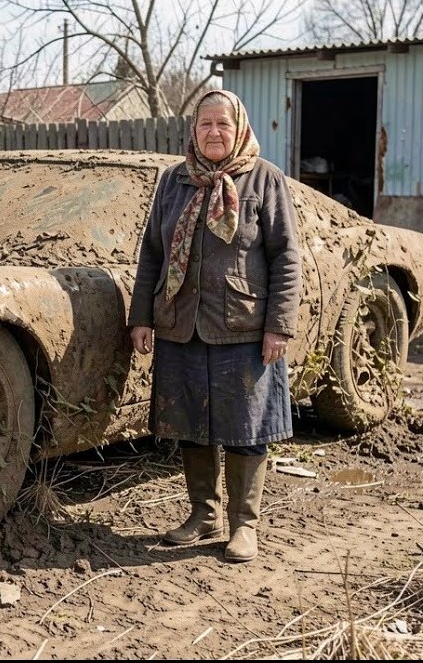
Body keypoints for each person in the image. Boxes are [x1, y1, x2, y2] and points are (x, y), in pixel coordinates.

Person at [128, 89, 301, 563]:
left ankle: (245, 525)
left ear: (240, 127)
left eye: (223, 124)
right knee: (190, 423)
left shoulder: (264, 180)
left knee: (247, 429)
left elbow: (286, 256)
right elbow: (152, 253)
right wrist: (142, 317)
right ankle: (204, 514)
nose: (213, 132)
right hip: (181, 324)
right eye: (205, 124)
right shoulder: (174, 181)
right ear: (193, 130)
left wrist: (278, 326)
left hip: (243, 326)